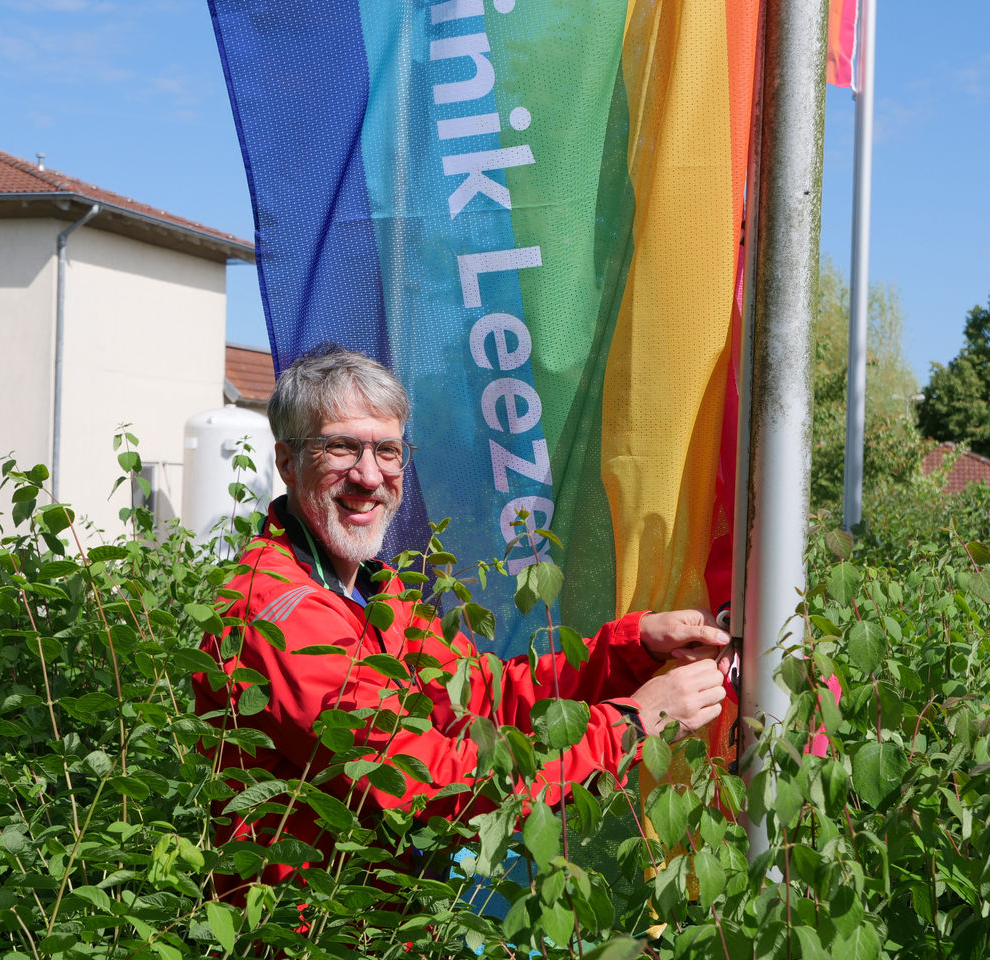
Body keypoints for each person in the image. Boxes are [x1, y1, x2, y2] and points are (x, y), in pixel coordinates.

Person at [193, 345, 732, 897]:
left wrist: (631, 648)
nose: (369, 475)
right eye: (341, 447)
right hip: (307, 935)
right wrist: (635, 723)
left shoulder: (374, 590)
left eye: (387, 450)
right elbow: (418, 779)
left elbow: (483, 696)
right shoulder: (278, 611)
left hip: (375, 922)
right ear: (286, 462)